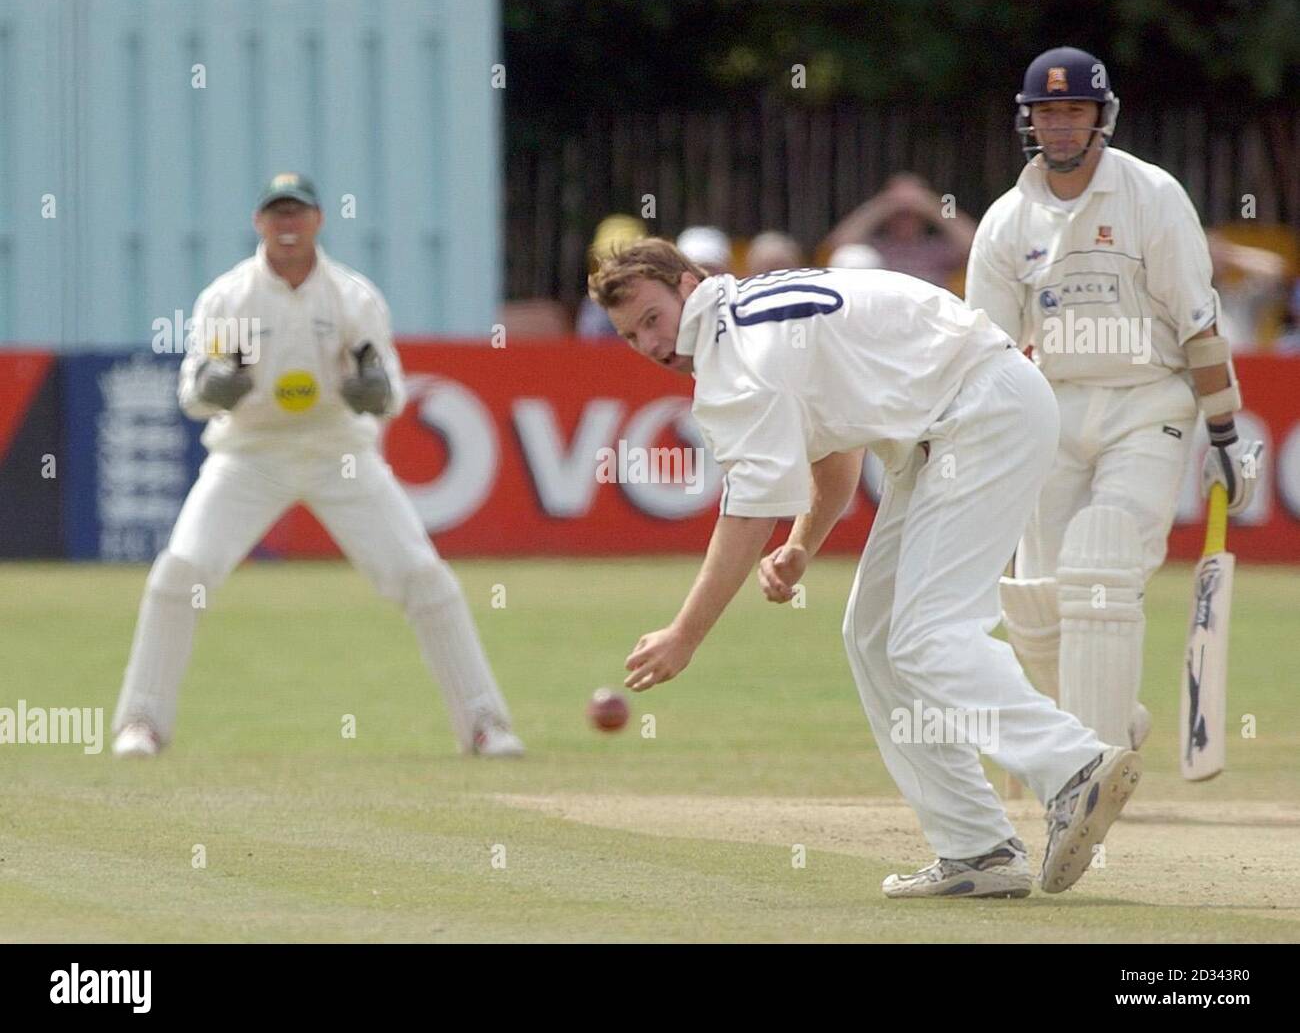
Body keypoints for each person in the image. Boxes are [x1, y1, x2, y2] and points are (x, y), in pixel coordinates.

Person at [588, 237, 1142, 899]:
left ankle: (1075, 766)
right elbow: (836, 453)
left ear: (686, 285)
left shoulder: (737, 348)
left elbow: (745, 515)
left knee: (928, 635)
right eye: (629, 337)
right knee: (875, 637)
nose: (650, 346)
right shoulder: (753, 319)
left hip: (980, 414)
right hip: (955, 425)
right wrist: (802, 546)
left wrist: (685, 634)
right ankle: (977, 848)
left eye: (652, 319)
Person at [111, 172, 524, 759]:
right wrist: (217, 386)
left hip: (339, 452)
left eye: (297, 213)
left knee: (422, 574)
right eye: (276, 214)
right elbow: (191, 396)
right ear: (259, 222)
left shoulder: (353, 298)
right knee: (182, 571)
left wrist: (372, 390)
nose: (287, 225)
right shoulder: (230, 298)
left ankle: (486, 725)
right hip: (250, 452)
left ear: (318, 220)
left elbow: (395, 394)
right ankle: (141, 724)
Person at [965, 48, 1263, 752]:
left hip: (1146, 403)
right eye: (1048, 112)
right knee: (1038, 604)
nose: (1062, 127)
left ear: (1102, 118)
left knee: (1103, 559)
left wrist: (1223, 434)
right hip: (1051, 410)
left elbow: (1198, 324)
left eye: (1075, 112)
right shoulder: (1007, 222)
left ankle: (1093, 767)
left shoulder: (1152, 196)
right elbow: (988, 356)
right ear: (1028, 120)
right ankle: (1102, 731)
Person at [821, 173, 974, 288]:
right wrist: (886, 203)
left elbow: (974, 244)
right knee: (853, 256)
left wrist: (930, 204)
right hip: (879, 312)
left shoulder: (937, 247)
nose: (905, 219)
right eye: (899, 214)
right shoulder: (874, 246)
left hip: (927, 315)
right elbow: (836, 247)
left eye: (911, 214)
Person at [577, 214, 648, 340]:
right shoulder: (594, 310)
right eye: (607, 262)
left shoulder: (659, 304)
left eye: (624, 263)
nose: (614, 272)